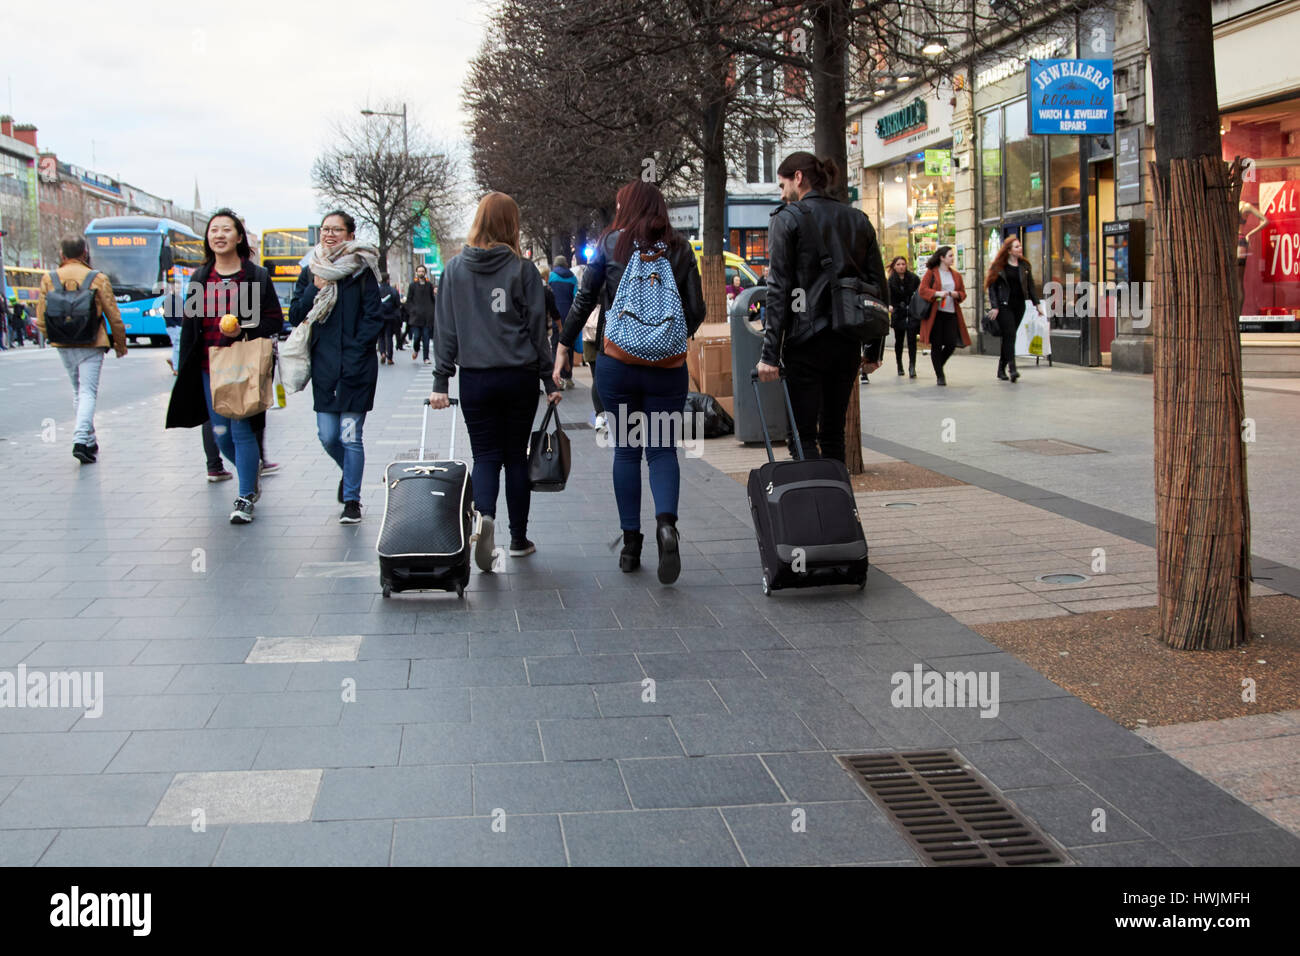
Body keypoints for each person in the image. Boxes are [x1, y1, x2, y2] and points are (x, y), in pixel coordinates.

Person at [555, 180, 706, 583]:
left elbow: (584, 299)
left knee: (626, 451)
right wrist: (668, 341)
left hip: (616, 365)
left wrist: (563, 346)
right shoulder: (679, 247)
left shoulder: (609, 245)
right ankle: (666, 526)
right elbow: (697, 308)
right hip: (667, 370)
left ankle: (629, 545)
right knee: (662, 451)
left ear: (628, 206)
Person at [430, 192, 560, 567]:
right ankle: (518, 539)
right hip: (518, 377)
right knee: (516, 458)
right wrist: (548, 381)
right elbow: (538, 330)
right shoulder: (523, 270)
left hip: (475, 378)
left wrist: (441, 380)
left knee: (485, 455)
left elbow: (446, 331)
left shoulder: (454, 270)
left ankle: (484, 517)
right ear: (511, 224)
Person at [756, 152, 887, 461]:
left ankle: (814, 505)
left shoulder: (787, 219)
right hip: (847, 339)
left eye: (782, 184)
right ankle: (838, 504)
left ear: (798, 178)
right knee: (833, 434)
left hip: (805, 341)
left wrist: (769, 355)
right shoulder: (857, 219)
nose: (781, 192)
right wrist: (874, 349)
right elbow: (878, 288)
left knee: (801, 437)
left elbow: (778, 290)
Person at [165, 209, 282, 522]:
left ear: (239, 237)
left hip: (244, 367)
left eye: (226, 230)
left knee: (242, 430)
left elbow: (275, 320)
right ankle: (250, 471)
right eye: (213, 230)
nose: (219, 235)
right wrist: (180, 361)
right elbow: (189, 324)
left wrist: (243, 327)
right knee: (220, 434)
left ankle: (244, 496)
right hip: (208, 367)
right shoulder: (200, 278)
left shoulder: (256, 276)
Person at [289, 210, 383, 524]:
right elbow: (295, 316)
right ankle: (350, 473)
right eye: (326, 229)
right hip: (324, 367)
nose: (330, 235)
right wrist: (315, 287)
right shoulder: (311, 270)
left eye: (337, 230)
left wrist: (356, 353)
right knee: (328, 435)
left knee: (350, 435)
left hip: (357, 366)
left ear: (350, 235)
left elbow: (374, 318)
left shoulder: (362, 270)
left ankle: (352, 501)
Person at [35, 236, 129, 464]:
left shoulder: (49, 278)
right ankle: (80, 439)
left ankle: (89, 440)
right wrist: (120, 344)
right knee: (87, 391)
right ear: (85, 253)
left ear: (61, 254)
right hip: (91, 343)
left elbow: (40, 319)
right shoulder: (97, 278)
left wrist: (55, 338)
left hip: (64, 344)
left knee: (78, 391)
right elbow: (113, 316)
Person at [985, 236, 1039, 383]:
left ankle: (1000, 368)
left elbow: (1031, 286)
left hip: (1019, 306)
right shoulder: (999, 267)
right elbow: (992, 288)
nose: (1020, 248)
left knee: (1009, 336)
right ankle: (1012, 369)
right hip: (1004, 306)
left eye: (1020, 246)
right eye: (1016, 247)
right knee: (1010, 335)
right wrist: (995, 307)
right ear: (1009, 250)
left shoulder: (1024, 266)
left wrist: (1037, 304)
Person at [917, 245, 970, 387]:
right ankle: (940, 375)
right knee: (937, 344)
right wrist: (936, 293)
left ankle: (938, 364)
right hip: (936, 314)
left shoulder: (956, 275)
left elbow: (963, 293)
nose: (952, 258)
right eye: (950, 256)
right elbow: (922, 290)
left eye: (953, 256)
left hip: (951, 313)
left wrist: (956, 294)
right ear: (942, 258)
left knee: (951, 343)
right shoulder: (932, 273)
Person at [888, 256, 922, 378]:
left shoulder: (913, 278)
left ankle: (912, 366)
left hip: (912, 313)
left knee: (912, 340)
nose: (901, 266)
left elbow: (920, 293)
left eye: (903, 264)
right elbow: (888, 297)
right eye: (898, 264)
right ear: (894, 266)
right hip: (899, 314)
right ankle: (899, 365)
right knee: (899, 341)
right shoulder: (891, 281)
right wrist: (890, 306)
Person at [548, 256, 577, 389]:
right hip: (570, 316)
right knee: (568, 345)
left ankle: (557, 376)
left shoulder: (551, 276)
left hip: (556, 316)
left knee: (556, 346)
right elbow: (577, 297)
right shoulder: (573, 277)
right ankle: (568, 376)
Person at [405, 264, 436, 364]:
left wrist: (432, 311)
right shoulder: (412, 286)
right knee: (417, 336)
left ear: (425, 273)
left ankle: (426, 358)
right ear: (416, 273)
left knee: (426, 337)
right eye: (419, 271)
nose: (421, 273)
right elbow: (409, 300)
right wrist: (412, 310)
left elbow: (433, 299)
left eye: (423, 271)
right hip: (416, 317)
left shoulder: (429, 285)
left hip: (427, 317)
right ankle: (416, 349)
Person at [377, 272, 402, 365]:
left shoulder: (376, 291)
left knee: (380, 337)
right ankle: (390, 357)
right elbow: (397, 304)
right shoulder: (393, 291)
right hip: (391, 317)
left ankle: (382, 353)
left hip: (379, 316)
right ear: (388, 280)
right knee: (389, 336)